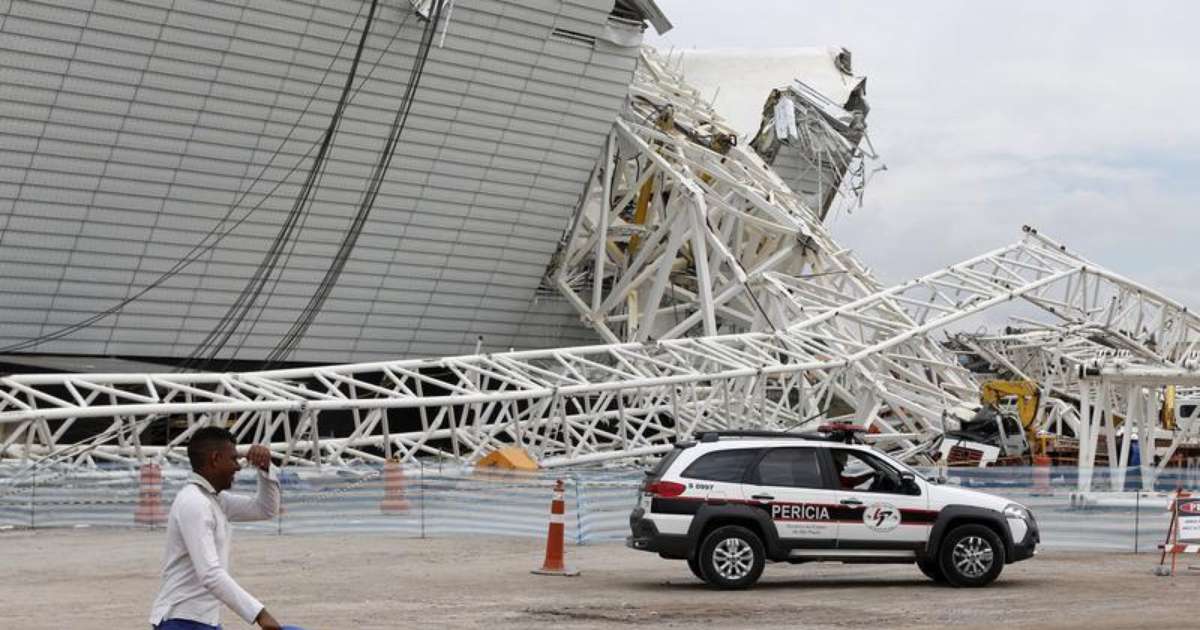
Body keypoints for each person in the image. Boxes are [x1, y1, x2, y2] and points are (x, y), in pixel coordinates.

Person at [148, 427, 283, 630]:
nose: (238, 467)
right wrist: (260, 614)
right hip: (182, 621)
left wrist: (265, 468)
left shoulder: (214, 500)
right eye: (233, 459)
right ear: (215, 459)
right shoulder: (194, 503)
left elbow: (265, 509)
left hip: (199, 620)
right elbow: (210, 573)